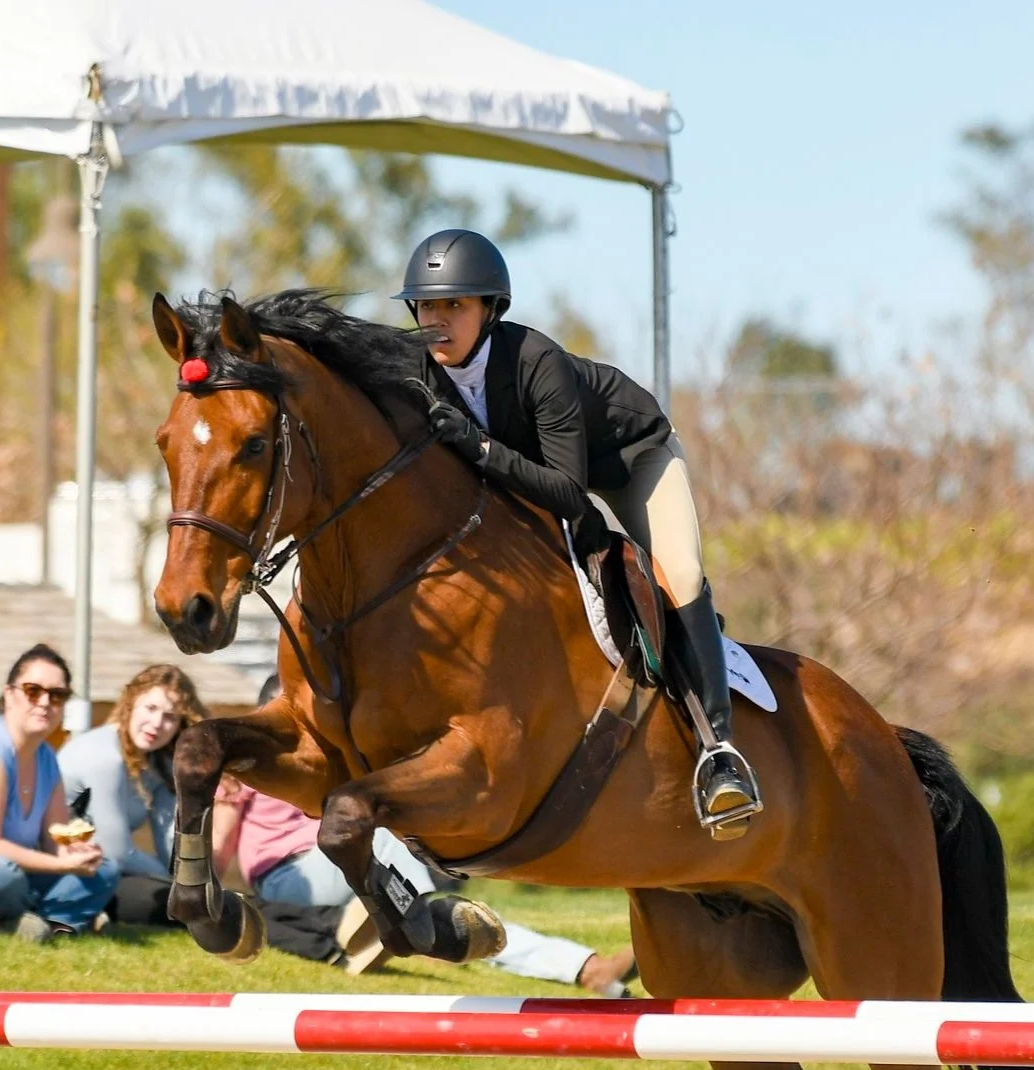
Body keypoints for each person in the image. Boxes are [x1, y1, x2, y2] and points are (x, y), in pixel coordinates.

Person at [395, 229, 762, 839]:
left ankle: (720, 750)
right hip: (535, 481)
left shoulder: (537, 361)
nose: (436, 321)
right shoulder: (421, 372)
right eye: (426, 306)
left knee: (680, 572)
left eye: (453, 306)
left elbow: (569, 491)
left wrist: (479, 448)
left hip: (630, 459)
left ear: (490, 309)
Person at [214, 678, 636, 994]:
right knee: (389, 840)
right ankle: (429, 927)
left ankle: (587, 968)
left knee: (450, 915)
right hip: (289, 881)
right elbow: (218, 851)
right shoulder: (246, 769)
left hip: (348, 868)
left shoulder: (326, 764)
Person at [0, 643, 118, 941]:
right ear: (9, 694)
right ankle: (48, 918)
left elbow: (55, 840)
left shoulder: (45, 757)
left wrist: (77, 855)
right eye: (33, 690)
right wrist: (59, 865)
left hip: (9, 872)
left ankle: (39, 924)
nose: (45, 702)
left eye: (57, 695)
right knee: (2, 875)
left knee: (103, 869)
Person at [57, 664, 209, 925]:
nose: (157, 724)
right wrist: (175, 886)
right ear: (130, 703)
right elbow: (117, 851)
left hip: (104, 870)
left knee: (201, 903)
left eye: (170, 717)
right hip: (62, 869)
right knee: (176, 905)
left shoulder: (158, 764)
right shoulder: (106, 755)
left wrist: (191, 884)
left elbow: (171, 846)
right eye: (150, 708)